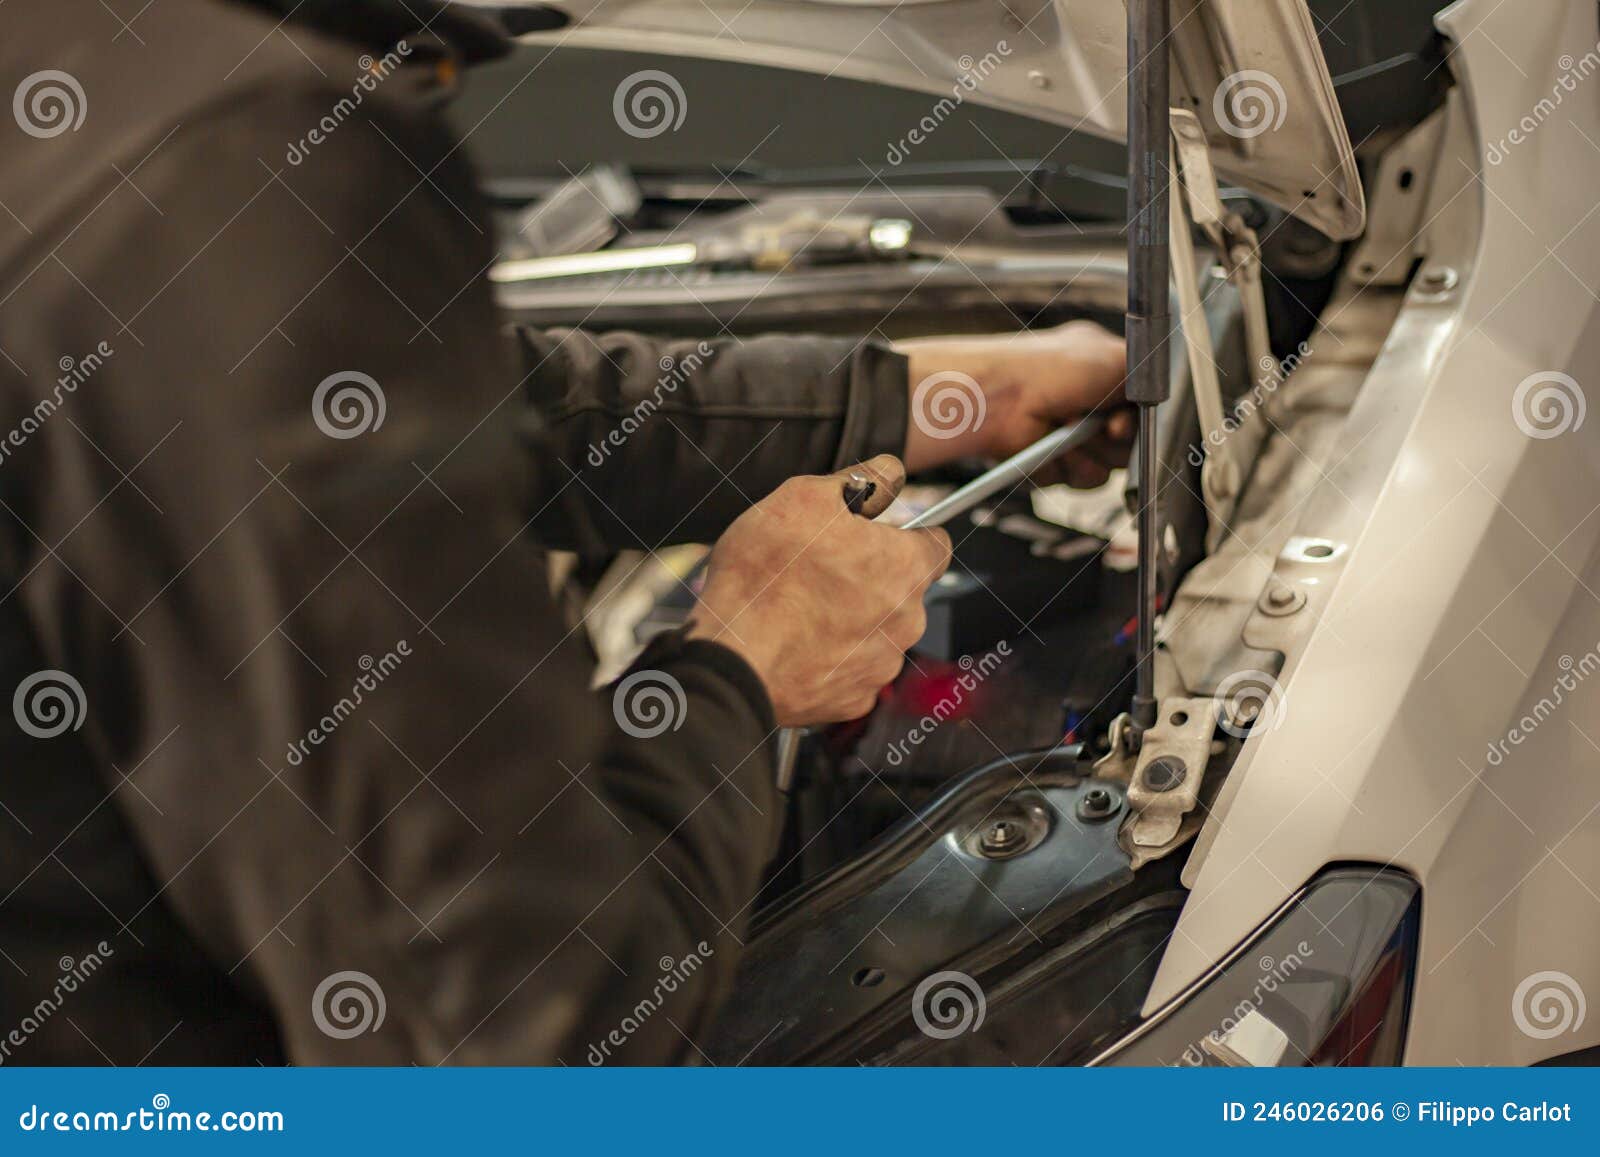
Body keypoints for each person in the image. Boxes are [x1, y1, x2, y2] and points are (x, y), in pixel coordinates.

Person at [0, 0, 1127, 1064]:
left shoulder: (106, 92)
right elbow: (529, 1031)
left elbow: (479, 402)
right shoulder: (232, 162)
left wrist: (934, 396)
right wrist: (741, 666)